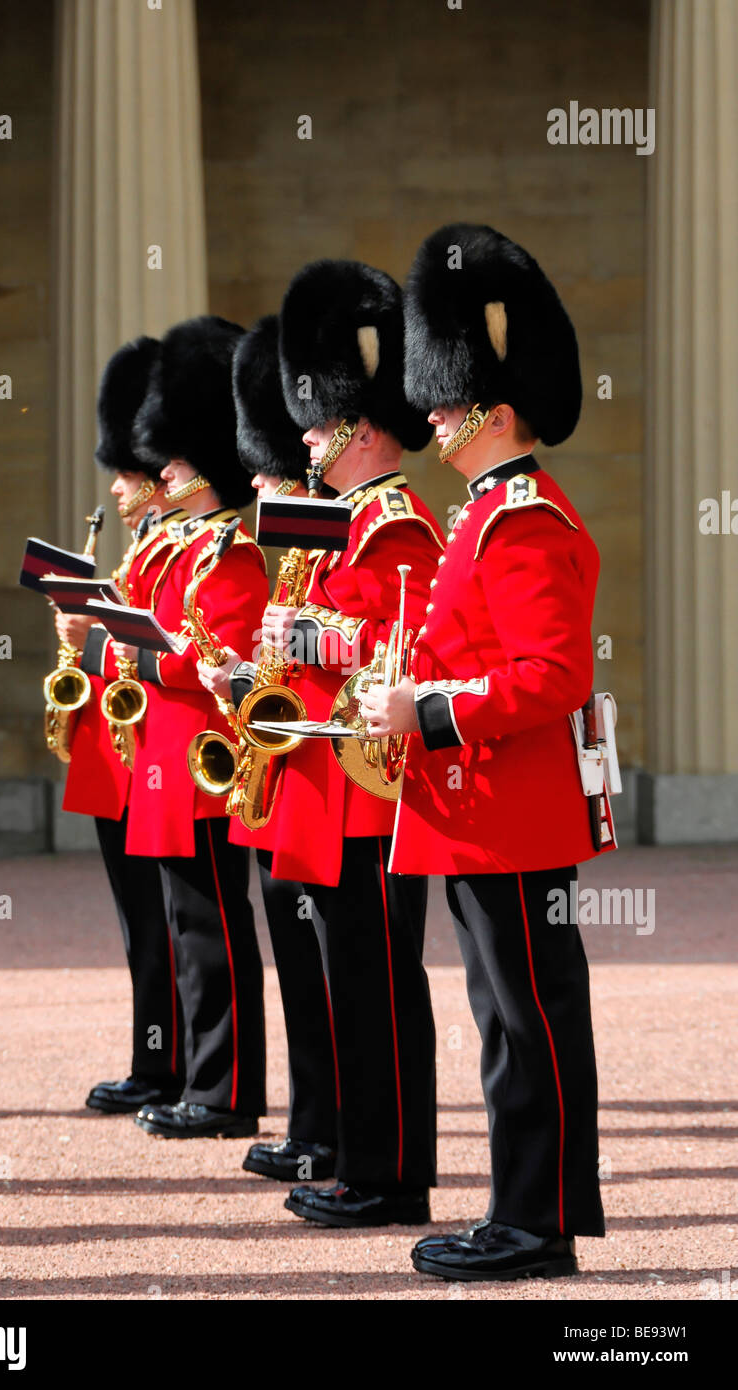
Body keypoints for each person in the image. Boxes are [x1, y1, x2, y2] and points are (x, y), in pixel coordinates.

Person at [361, 223, 608, 1280]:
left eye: (445, 399)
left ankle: (539, 1221)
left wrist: (427, 713)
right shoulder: (477, 519)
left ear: (493, 411)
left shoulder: (523, 523)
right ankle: (518, 1205)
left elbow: (550, 676)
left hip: (507, 811)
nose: (428, 412)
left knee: (529, 1022)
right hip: (476, 810)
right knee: (503, 1022)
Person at [226, 262, 445, 1227]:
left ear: (360, 429)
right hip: (326, 786)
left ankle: (389, 1173)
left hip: (371, 791)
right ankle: (362, 1156)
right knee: (349, 983)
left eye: (318, 425)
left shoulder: (395, 526)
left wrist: (302, 638)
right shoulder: (336, 527)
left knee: (380, 987)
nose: (307, 439)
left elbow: (403, 646)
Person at [114, 316, 270, 1140]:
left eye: (171, 458)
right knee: (186, 927)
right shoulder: (178, 550)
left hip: (200, 767)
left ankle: (226, 1090)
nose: (159, 470)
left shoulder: (228, 556)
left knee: (213, 927)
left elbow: (209, 655)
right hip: (162, 762)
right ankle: (201, 1081)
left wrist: (143, 659)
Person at [198, 314, 339, 1183]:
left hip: (328, 781)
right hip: (284, 774)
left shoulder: (323, 526)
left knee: (332, 979)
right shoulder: (290, 535)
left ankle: (336, 1134)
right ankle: (313, 1121)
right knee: (303, 970)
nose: (252, 477)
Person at [54, 337, 186, 1115]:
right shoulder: (142, 546)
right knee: (140, 923)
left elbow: (160, 648)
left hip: (154, 753)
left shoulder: (179, 547)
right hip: (118, 744)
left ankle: (168, 1062)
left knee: (164, 920)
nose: (119, 485)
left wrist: (95, 633)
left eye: (129, 473)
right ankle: (152, 1054)